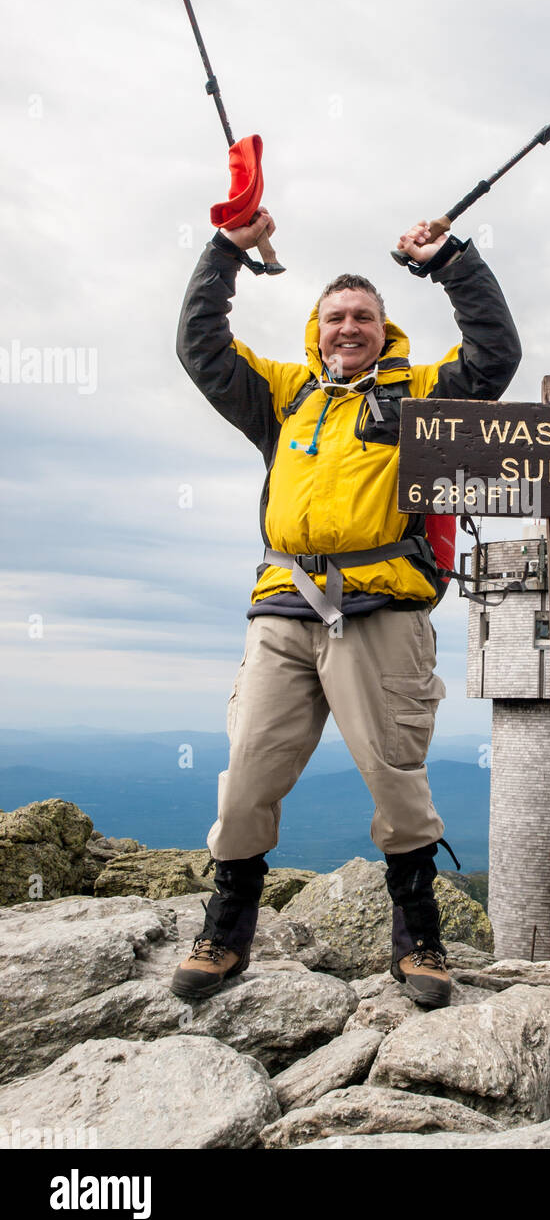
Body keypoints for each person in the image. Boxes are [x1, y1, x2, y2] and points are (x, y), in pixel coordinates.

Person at [170, 208, 520, 1008]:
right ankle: (225, 934)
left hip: (384, 613)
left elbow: (495, 355)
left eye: (363, 316)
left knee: (396, 780)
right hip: (281, 610)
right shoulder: (285, 394)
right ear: (314, 330)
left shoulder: (424, 393)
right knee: (248, 773)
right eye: (335, 318)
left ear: (384, 329)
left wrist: (450, 261)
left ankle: (419, 943)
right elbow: (202, 349)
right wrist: (227, 251)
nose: (347, 328)